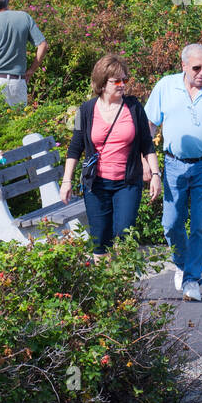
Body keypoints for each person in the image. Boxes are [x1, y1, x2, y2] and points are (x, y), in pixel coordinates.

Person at [144, 43, 202, 302]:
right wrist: (145, 160)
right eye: (196, 68)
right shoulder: (166, 86)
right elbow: (149, 125)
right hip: (174, 164)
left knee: (201, 226)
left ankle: (192, 279)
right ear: (183, 66)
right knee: (171, 223)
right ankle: (181, 262)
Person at [59, 54, 159, 255]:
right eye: (117, 81)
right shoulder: (85, 111)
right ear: (102, 83)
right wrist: (66, 181)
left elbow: (147, 144)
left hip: (127, 182)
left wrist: (155, 174)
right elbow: (75, 147)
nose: (122, 84)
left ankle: (121, 280)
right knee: (99, 238)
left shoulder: (134, 107)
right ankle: (105, 283)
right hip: (96, 184)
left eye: (125, 80)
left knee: (123, 232)